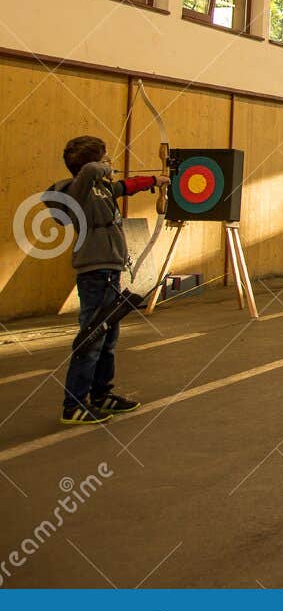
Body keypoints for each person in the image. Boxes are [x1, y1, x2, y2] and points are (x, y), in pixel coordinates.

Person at [50, 135, 168, 426]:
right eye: (106, 157)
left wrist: (155, 180)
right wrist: (103, 166)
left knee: (108, 339)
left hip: (109, 272)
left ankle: (101, 395)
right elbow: (91, 171)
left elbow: (124, 186)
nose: (109, 162)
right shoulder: (76, 191)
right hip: (95, 273)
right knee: (92, 338)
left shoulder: (100, 189)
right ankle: (73, 405)